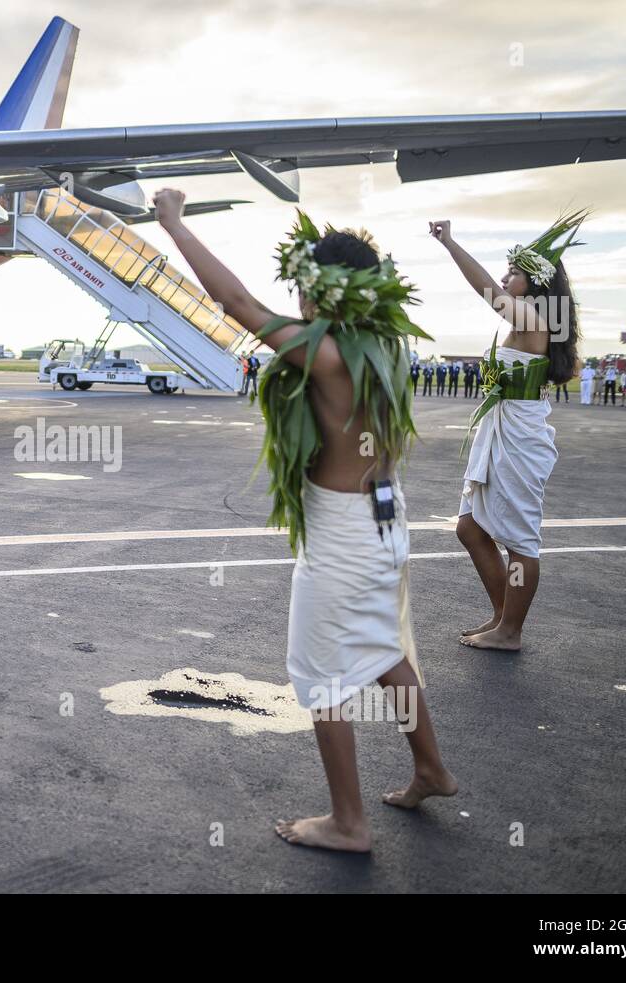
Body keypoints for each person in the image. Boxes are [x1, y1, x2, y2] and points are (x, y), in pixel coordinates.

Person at [155, 188, 455, 853]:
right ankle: (431, 767)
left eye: (305, 287)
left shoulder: (329, 355)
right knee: (382, 650)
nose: (297, 300)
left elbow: (236, 305)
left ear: (328, 292)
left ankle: (349, 822)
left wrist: (174, 224)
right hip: (383, 519)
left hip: (345, 531)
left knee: (319, 673)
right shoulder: (384, 350)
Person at [431, 210, 587, 651]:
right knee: (469, 528)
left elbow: (486, 290)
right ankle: (503, 617)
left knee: (520, 539)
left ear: (535, 283)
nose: (505, 277)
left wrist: (449, 243)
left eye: (514, 271)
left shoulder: (534, 319)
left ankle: (511, 631)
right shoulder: (531, 319)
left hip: (519, 437)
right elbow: (495, 291)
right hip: (502, 430)